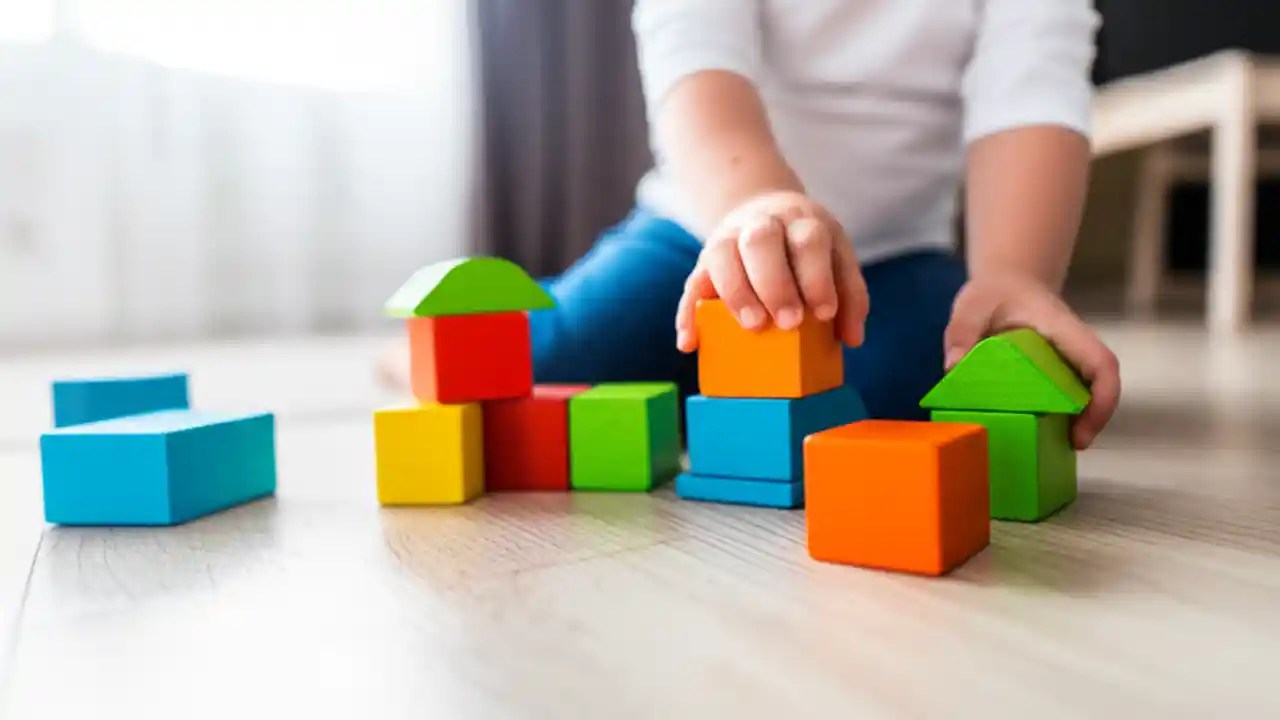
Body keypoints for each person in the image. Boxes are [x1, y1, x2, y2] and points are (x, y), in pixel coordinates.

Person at [392, 0, 1121, 449]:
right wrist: (756, 204)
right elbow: (697, 58)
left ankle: (706, 395)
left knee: (907, 411)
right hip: (698, 229)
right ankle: (428, 350)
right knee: (537, 371)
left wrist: (1014, 277)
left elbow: (1032, 92)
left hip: (892, 255)